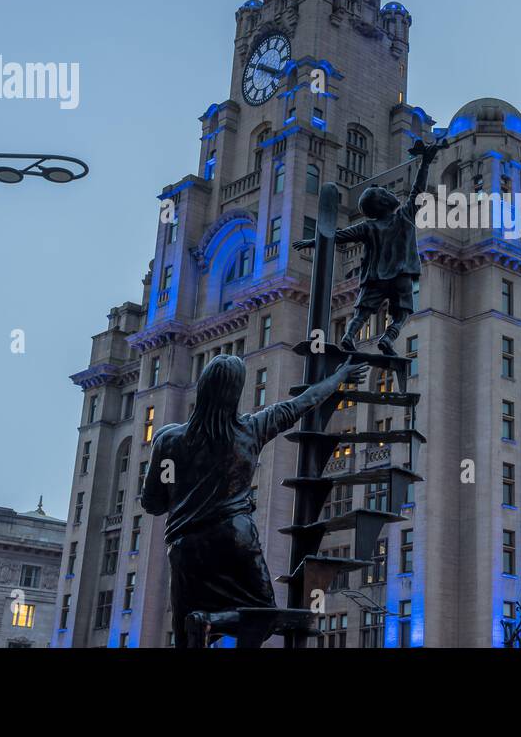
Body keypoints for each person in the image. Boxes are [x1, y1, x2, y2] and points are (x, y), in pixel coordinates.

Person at [141, 353, 367, 647]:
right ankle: (212, 622)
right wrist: (338, 378)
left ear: (203, 388)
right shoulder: (251, 429)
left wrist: (181, 490)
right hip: (235, 537)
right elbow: (301, 403)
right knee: (265, 614)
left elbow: (153, 504)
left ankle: (206, 623)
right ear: (236, 392)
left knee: (185, 637)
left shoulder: (168, 439)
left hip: (185, 547)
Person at [293, 138, 445, 355]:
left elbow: (337, 236)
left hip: (375, 278)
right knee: (402, 313)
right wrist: (426, 163)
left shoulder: (368, 227)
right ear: (383, 203)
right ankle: (388, 337)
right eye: (385, 193)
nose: (390, 193)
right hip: (401, 274)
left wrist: (313, 242)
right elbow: (417, 191)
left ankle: (348, 335)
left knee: (362, 312)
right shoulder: (404, 216)